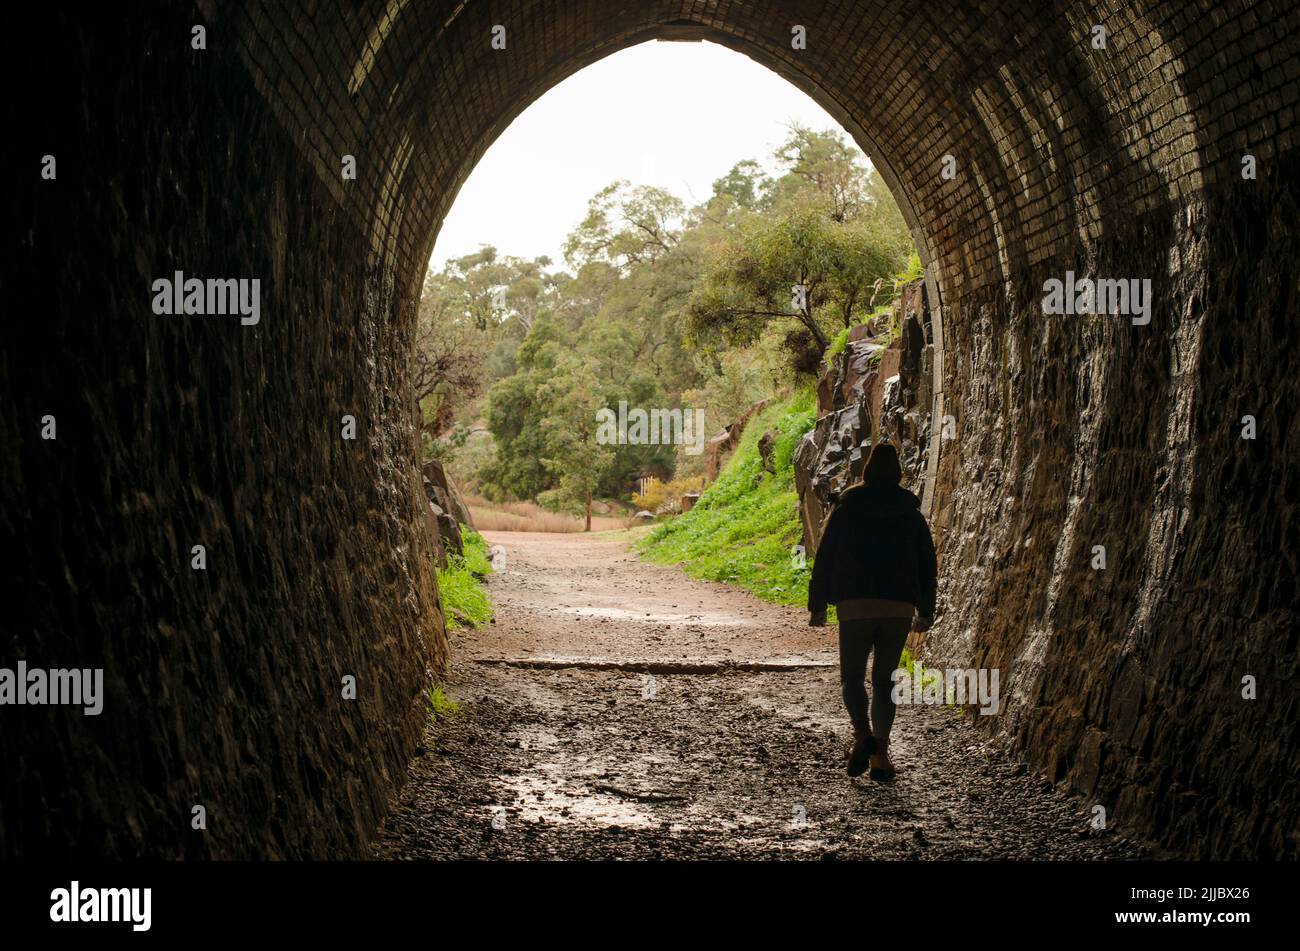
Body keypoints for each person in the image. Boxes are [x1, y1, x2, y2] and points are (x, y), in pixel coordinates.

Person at [807, 443, 937, 781]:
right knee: (885, 681)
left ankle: (861, 734)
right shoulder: (910, 511)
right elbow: (927, 563)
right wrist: (926, 609)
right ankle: (880, 754)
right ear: (898, 473)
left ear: (866, 469)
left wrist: (818, 604)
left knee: (852, 677)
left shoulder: (848, 506)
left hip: (855, 604)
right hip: (897, 606)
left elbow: (827, 554)